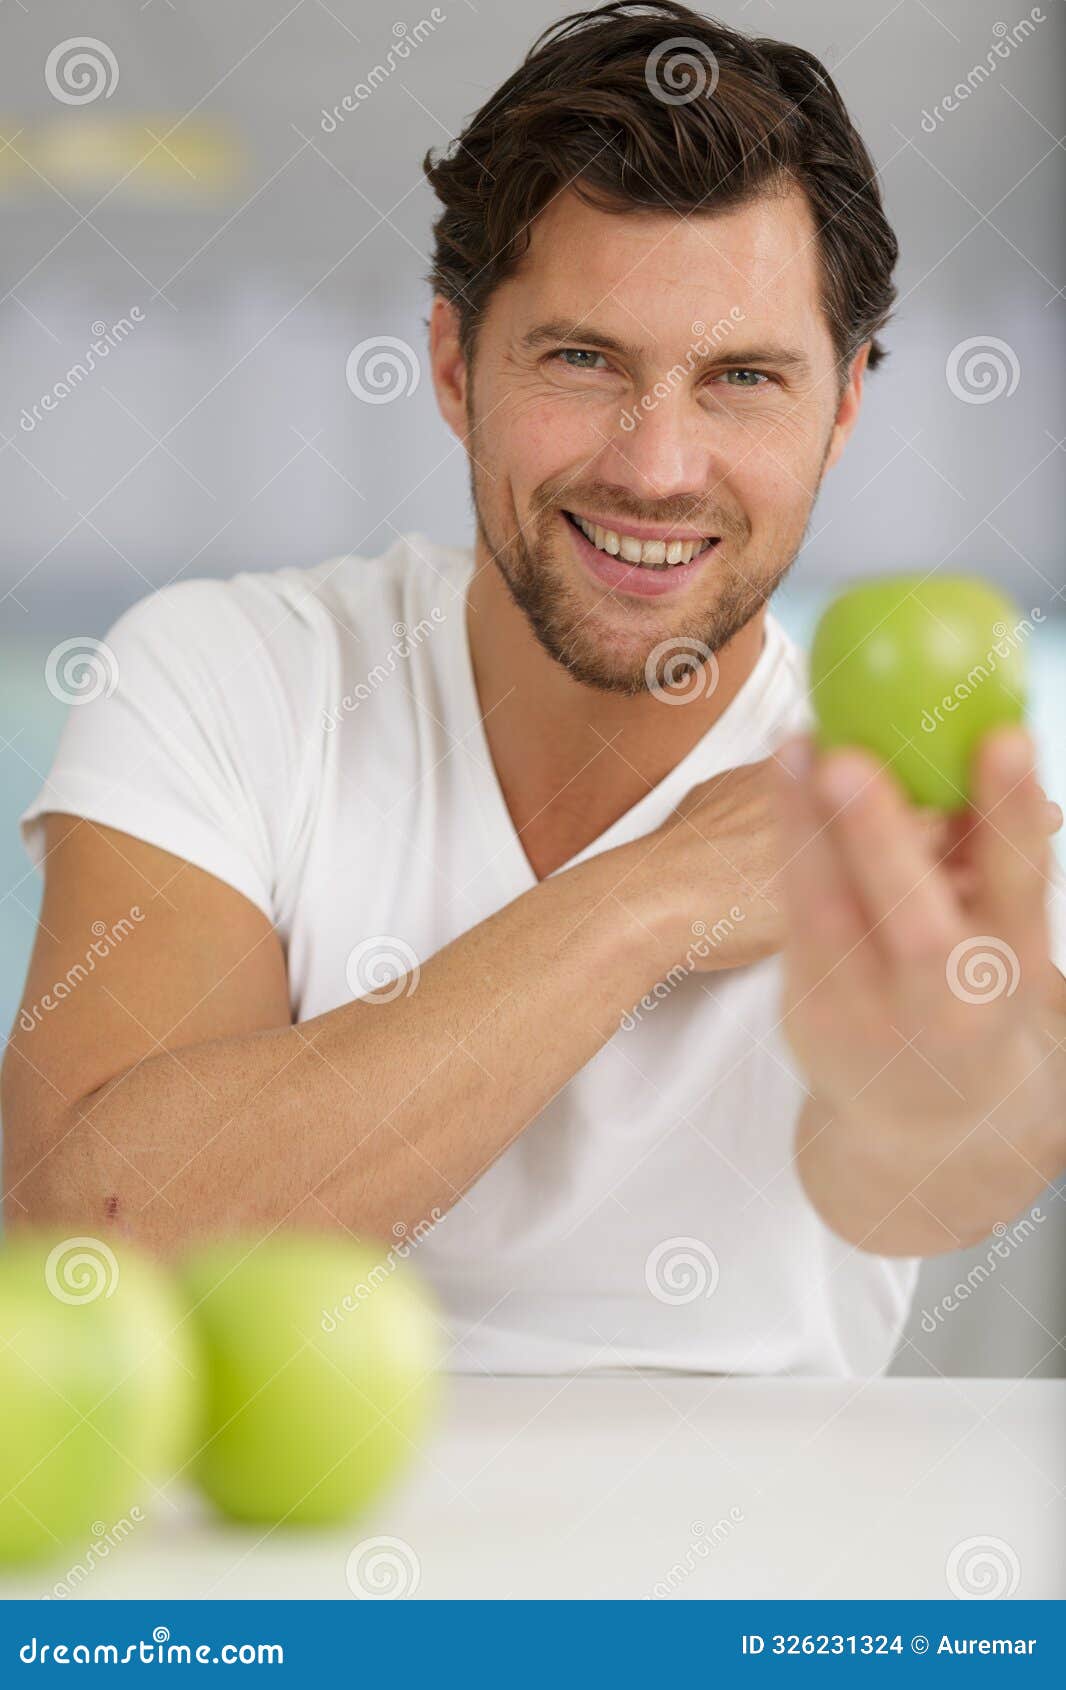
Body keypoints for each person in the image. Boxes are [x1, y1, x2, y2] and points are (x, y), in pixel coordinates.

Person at [5, 2, 1064, 1377]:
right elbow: (84, 1233)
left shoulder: (892, 800)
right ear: (453, 365)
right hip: (260, 1576)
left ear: (844, 406)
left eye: (742, 378)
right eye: (582, 360)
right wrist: (659, 895)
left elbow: (927, 1170)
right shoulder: (229, 672)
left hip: (738, 1581)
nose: (657, 466)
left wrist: (941, 1080)